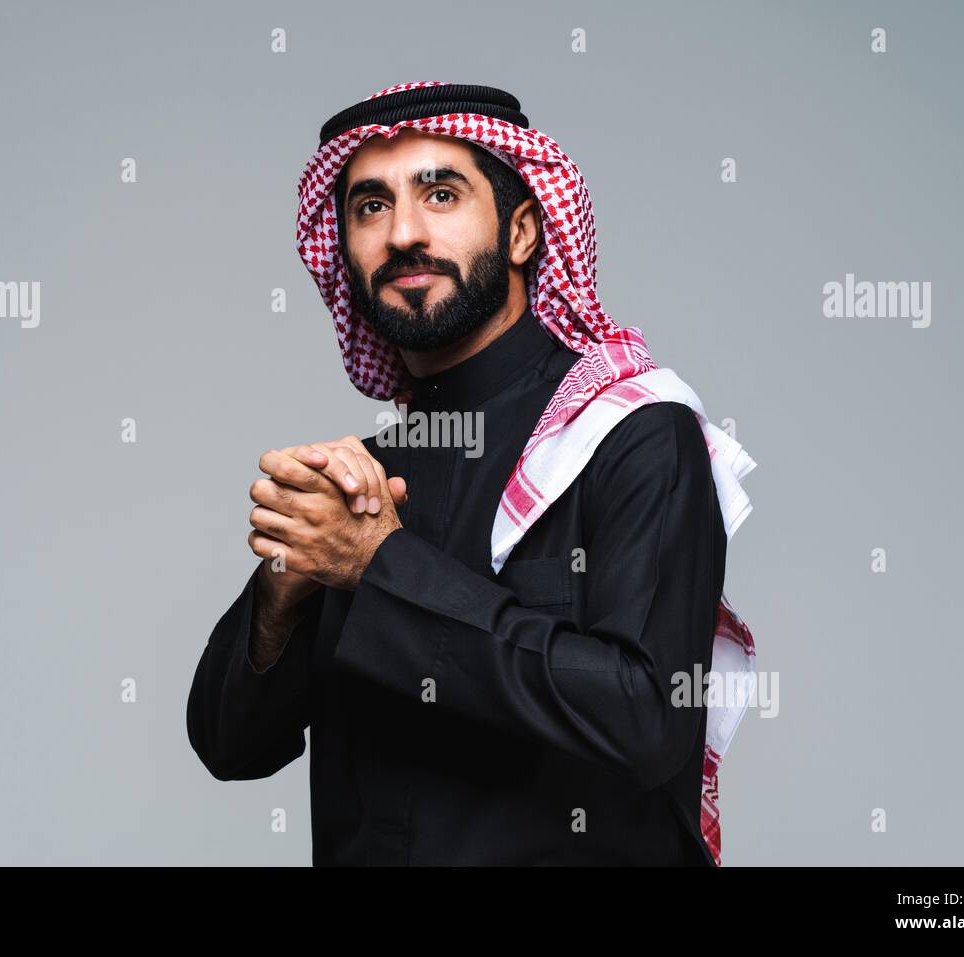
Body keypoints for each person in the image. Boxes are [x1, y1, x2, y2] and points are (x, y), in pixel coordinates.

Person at [187, 82, 758, 866]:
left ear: (523, 231)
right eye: (369, 207)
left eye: (441, 193)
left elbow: (647, 721)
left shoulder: (629, 433)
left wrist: (380, 567)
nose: (403, 234)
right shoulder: (361, 480)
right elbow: (230, 745)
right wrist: (285, 590)